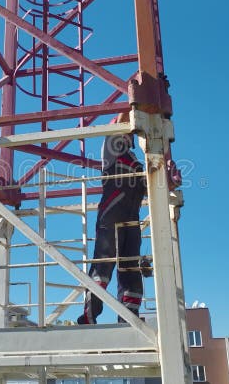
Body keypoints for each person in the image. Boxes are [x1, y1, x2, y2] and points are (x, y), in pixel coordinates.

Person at [77, 114, 147, 324]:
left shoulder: (136, 160)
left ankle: (129, 316)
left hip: (131, 217)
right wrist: (136, 104)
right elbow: (122, 117)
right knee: (104, 263)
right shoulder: (111, 146)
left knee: (130, 266)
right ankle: (89, 315)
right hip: (112, 212)